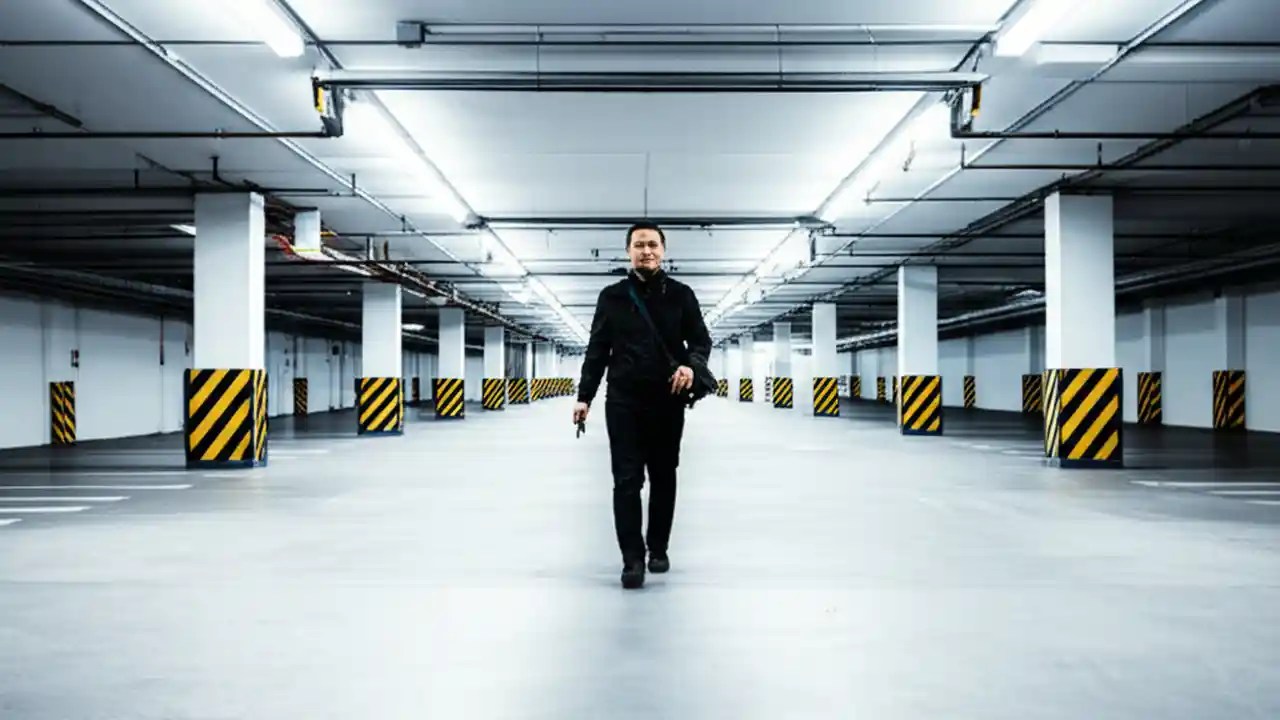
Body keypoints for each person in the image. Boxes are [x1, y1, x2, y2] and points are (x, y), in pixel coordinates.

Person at [573, 221, 713, 589]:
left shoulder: (682, 295)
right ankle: (632, 558)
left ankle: (658, 548)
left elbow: (701, 342)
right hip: (623, 402)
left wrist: (690, 366)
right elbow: (597, 351)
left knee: (664, 476)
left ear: (663, 251)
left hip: (667, 403)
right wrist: (584, 396)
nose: (646, 251)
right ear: (628, 252)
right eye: (639, 245)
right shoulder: (612, 297)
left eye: (652, 244)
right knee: (626, 481)